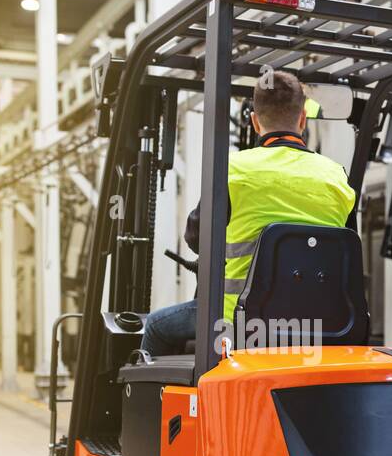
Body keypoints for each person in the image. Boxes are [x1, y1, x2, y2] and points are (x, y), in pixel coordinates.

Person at [139, 70, 356, 357]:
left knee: (154, 326)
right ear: (302, 119)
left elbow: (196, 238)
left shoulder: (231, 169)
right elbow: (348, 248)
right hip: (322, 325)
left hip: (238, 324)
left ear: (254, 121)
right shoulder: (337, 176)